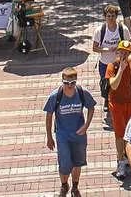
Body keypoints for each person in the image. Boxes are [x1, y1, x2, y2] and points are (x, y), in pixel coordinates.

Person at [43, 67, 96, 197]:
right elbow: (49, 116)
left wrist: (86, 126)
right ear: (62, 81)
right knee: (65, 163)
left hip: (79, 135)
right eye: (67, 83)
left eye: (72, 83)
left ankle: (75, 187)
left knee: (78, 163)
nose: (70, 86)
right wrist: (49, 137)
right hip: (63, 136)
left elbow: (91, 108)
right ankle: (64, 185)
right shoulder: (56, 96)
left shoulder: (82, 92)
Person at [93, 5, 130, 112]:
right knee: (106, 83)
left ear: (116, 16)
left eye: (113, 16)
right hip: (105, 62)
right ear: (105, 17)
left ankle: (118, 100)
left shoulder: (123, 29)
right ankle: (106, 100)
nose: (111, 18)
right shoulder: (100, 31)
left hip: (119, 62)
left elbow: (129, 46)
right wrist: (108, 49)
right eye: (108, 16)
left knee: (120, 81)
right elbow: (95, 48)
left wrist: (122, 52)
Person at [106, 40, 131, 179]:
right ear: (118, 52)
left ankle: (128, 157)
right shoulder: (112, 66)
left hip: (129, 103)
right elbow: (114, 85)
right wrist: (121, 70)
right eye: (121, 51)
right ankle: (120, 161)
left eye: (126, 52)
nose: (123, 54)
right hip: (116, 104)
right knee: (119, 134)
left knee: (130, 134)